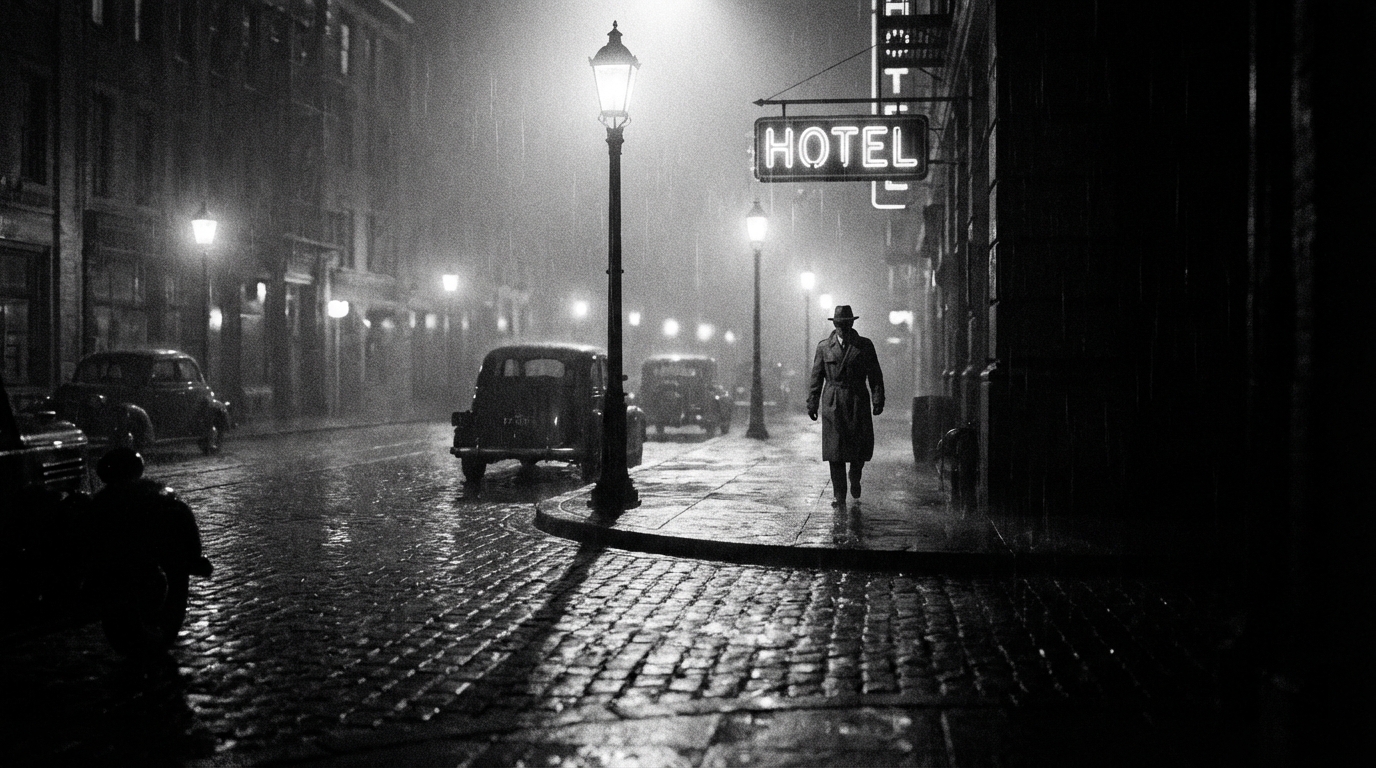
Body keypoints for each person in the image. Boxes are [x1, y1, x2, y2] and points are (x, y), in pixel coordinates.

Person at [806, 305, 885, 507]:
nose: (843, 328)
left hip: (857, 400)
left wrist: (877, 399)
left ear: (851, 323)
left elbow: (875, 374)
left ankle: (855, 476)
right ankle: (839, 495)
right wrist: (812, 403)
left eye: (846, 324)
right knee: (835, 451)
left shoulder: (864, 346)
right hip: (833, 401)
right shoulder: (824, 347)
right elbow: (817, 377)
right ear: (835, 325)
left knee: (858, 449)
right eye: (839, 324)